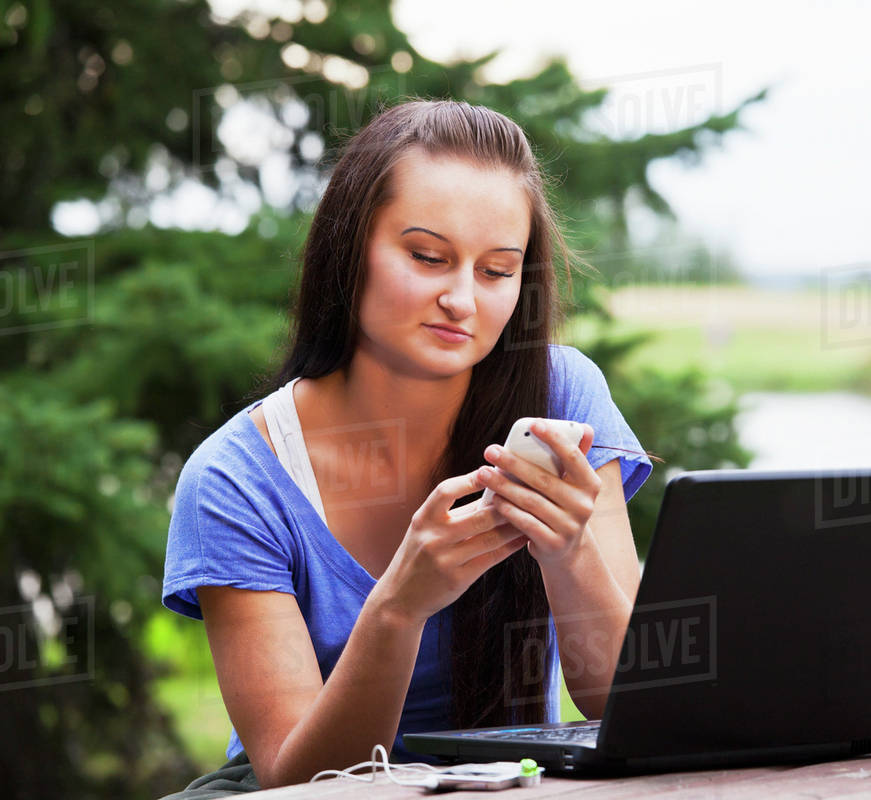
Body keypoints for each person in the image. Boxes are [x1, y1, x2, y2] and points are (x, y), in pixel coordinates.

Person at [160, 99, 652, 795]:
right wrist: (398, 608)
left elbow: (623, 709)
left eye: (496, 271)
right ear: (349, 251)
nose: (462, 300)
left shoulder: (559, 396)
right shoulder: (236, 479)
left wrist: (568, 552)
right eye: (428, 258)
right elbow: (296, 777)